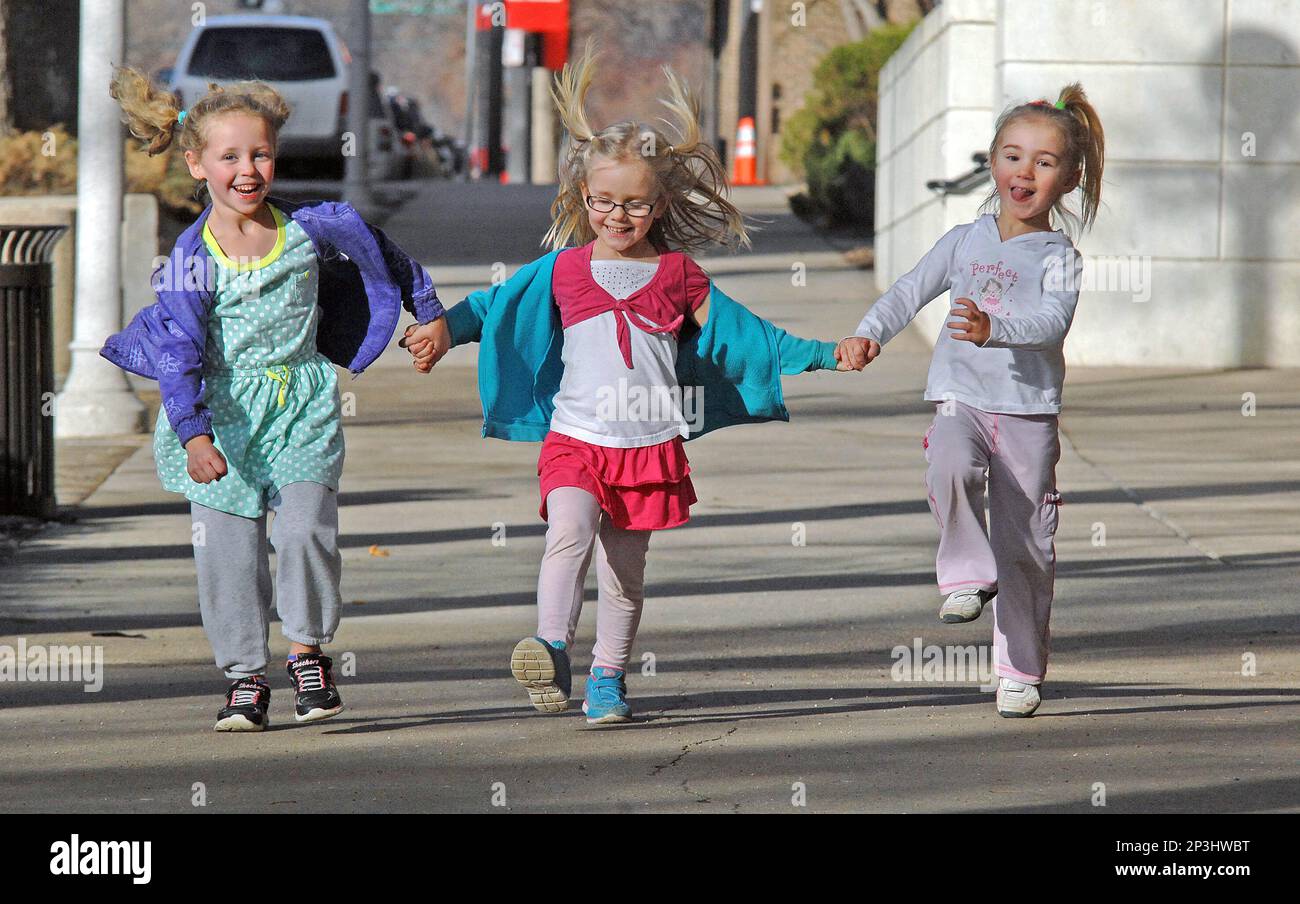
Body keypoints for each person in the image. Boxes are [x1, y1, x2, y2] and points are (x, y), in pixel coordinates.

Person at [403, 44, 860, 725]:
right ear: (583, 198)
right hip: (576, 438)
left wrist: (827, 353)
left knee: (623, 577)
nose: (618, 217)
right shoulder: (564, 270)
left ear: (660, 204)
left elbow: (748, 336)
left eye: (635, 206)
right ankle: (552, 647)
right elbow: (495, 306)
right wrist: (444, 331)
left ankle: (608, 679)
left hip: (646, 444)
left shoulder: (679, 276)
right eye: (603, 202)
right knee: (568, 535)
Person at [101, 68, 443, 731]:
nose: (248, 169)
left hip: (301, 404)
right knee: (229, 556)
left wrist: (426, 312)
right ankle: (244, 679)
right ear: (197, 164)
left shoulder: (313, 229)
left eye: (259, 154)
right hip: (220, 417)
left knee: (307, 528)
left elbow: (389, 259)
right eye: (229, 157)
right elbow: (175, 352)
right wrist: (195, 434)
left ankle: (309, 655)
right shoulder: (191, 259)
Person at [838, 84, 1105, 717]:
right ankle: (964, 575)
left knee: (1027, 546)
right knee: (949, 463)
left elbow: (1052, 324)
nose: (1026, 171)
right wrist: (868, 333)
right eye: (1013, 156)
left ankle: (1018, 669)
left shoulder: (1060, 256)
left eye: (1045, 162)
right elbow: (909, 290)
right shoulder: (964, 239)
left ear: (1068, 179)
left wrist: (995, 329)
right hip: (960, 398)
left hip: (1028, 412)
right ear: (992, 162)